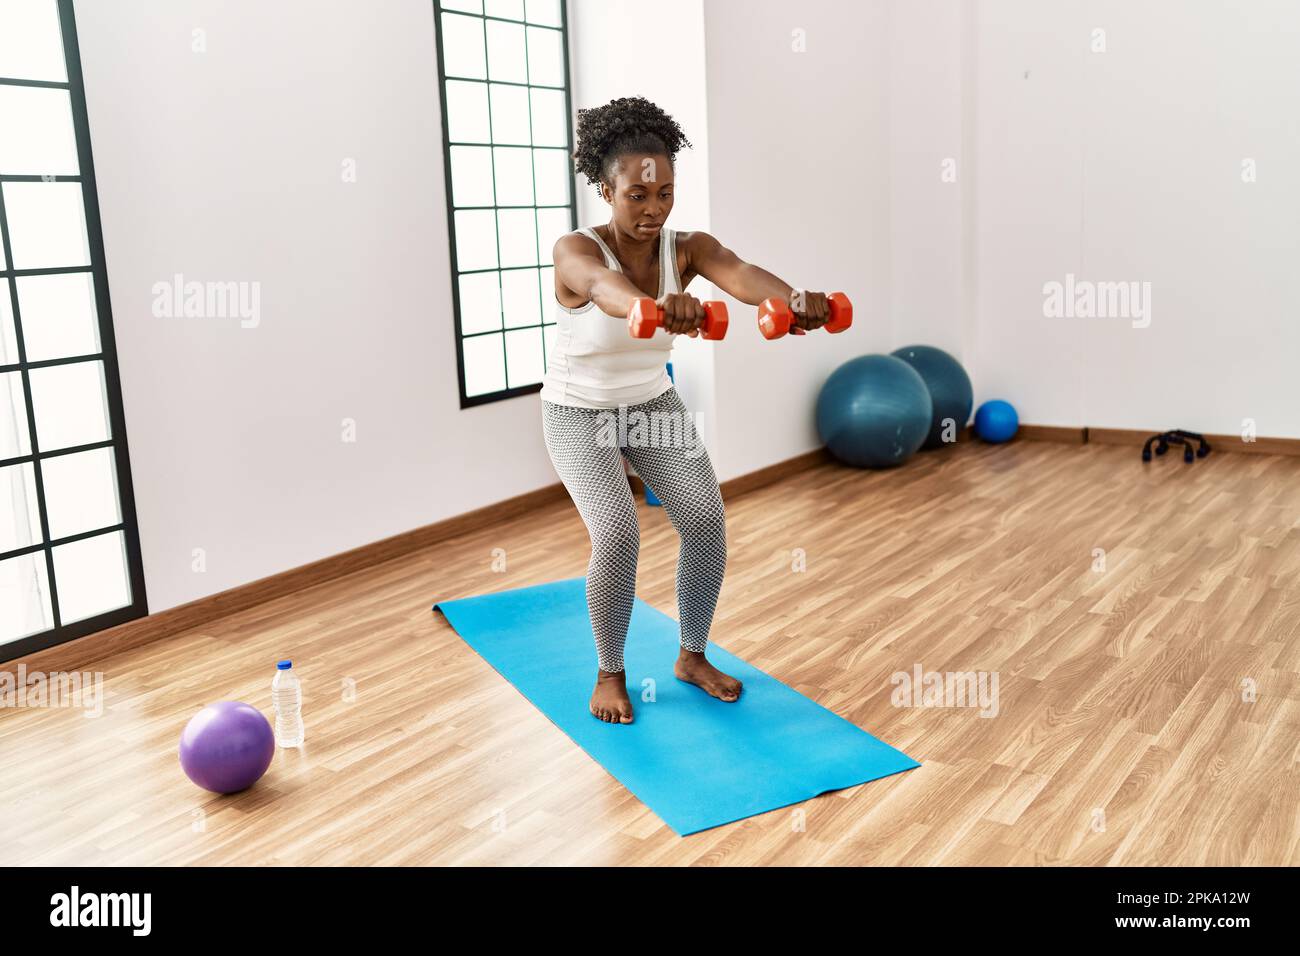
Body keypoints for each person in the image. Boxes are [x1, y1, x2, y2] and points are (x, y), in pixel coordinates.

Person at [542, 96, 834, 724]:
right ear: (604, 187)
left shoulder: (686, 246)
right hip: (578, 412)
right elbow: (604, 289)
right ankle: (610, 671)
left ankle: (692, 656)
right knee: (617, 530)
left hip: (650, 402)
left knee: (704, 517)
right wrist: (653, 306)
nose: (653, 210)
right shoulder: (576, 249)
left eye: (665, 193)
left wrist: (797, 300)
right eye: (636, 196)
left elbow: (740, 272)